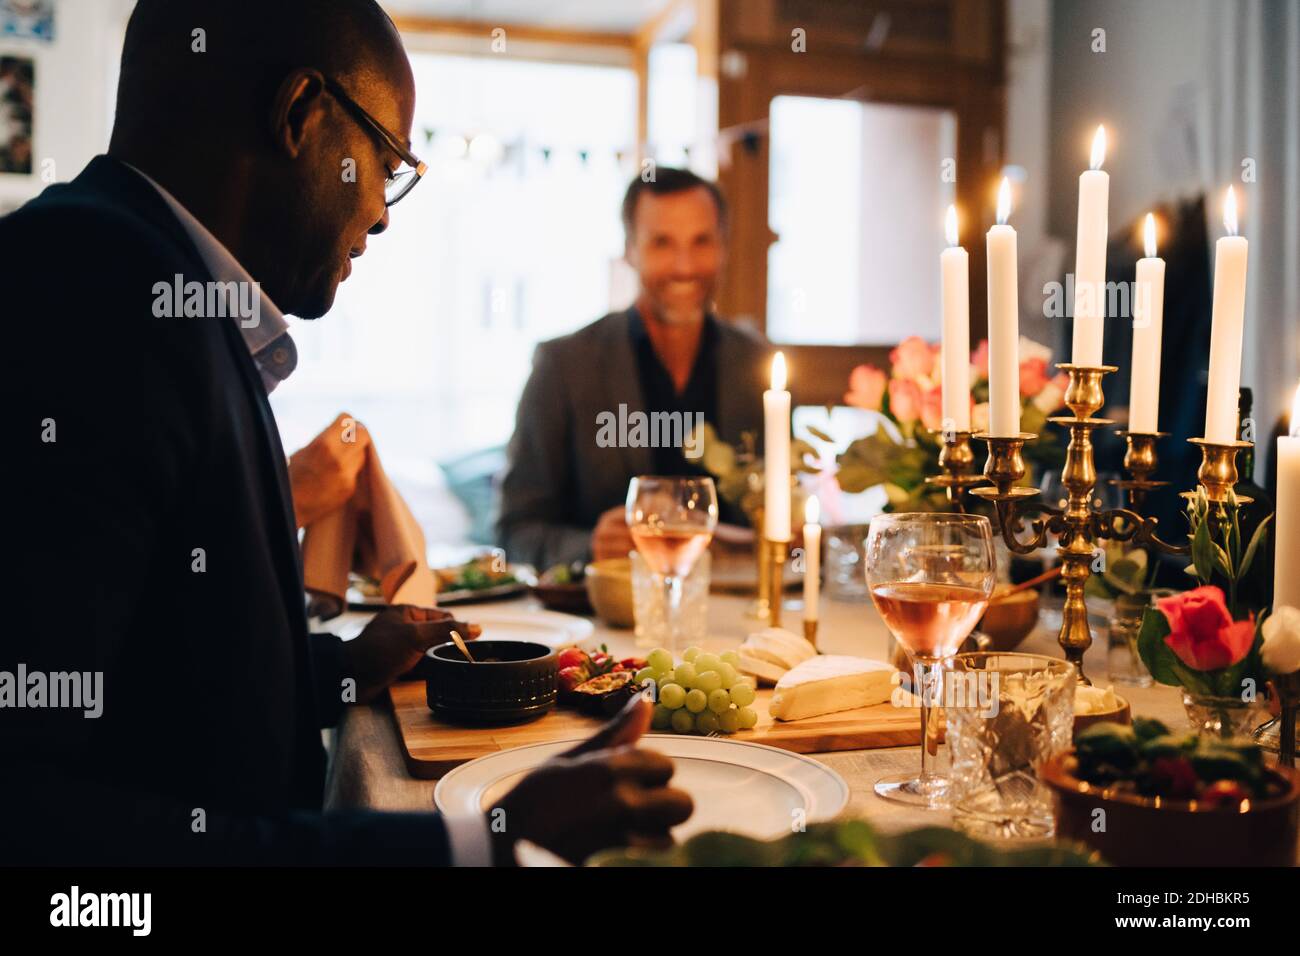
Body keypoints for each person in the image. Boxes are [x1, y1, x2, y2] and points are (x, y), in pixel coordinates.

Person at [0, 0, 689, 866]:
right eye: (387, 161)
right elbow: (30, 808)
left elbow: (160, 690)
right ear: (298, 117)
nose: (388, 213)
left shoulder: (159, 286)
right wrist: (477, 843)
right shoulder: (86, 302)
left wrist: (345, 666)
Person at [496, 168, 771, 570]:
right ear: (629, 250)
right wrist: (590, 547)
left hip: (735, 618)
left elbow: (776, 513)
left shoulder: (756, 364)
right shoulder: (564, 366)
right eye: (662, 243)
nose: (684, 266)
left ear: (724, 246)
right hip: (606, 621)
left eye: (702, 241)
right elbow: (512, 535)